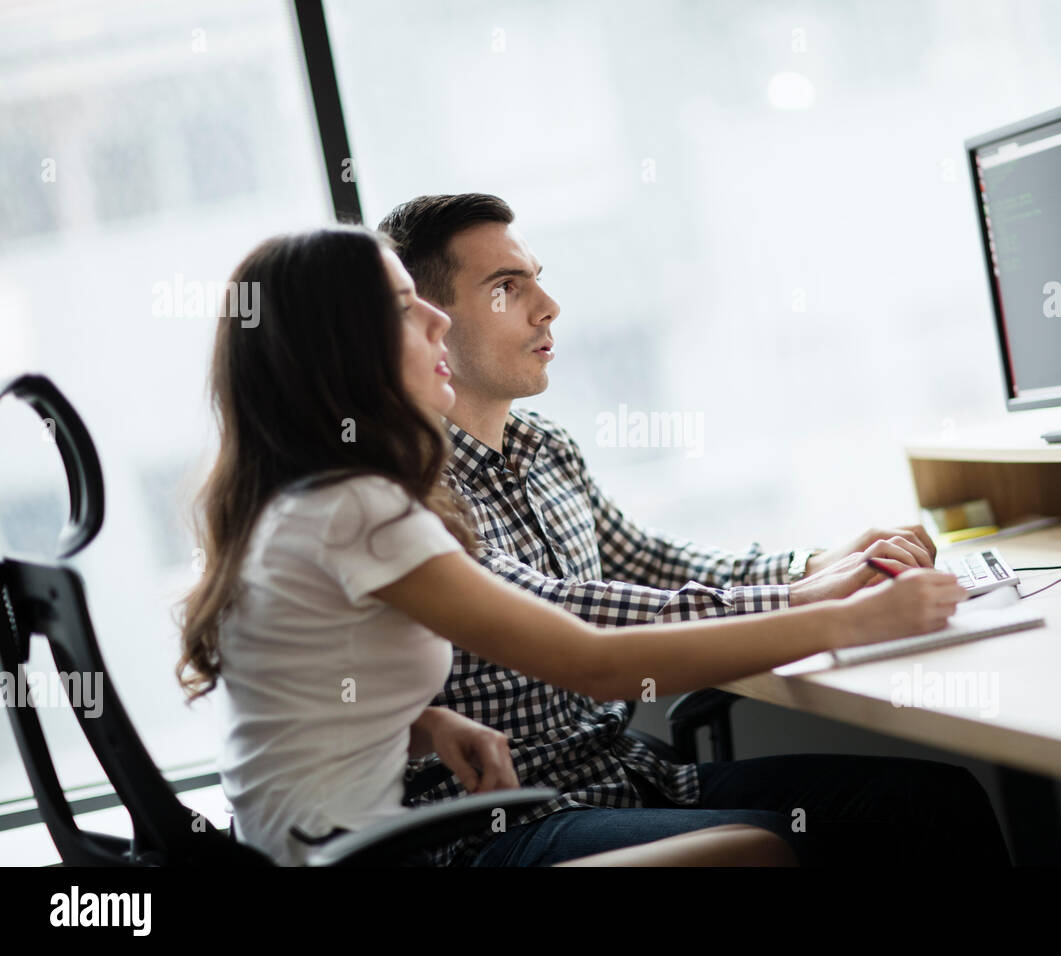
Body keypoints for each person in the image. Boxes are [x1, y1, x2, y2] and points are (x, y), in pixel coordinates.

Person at [176, 224, 967, 867]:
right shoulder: (360, 507)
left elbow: (308, 693)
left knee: (924, 802)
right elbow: (590, 658)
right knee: (753, 853)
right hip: (395, 855)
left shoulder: (306, 499)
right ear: (342, 350)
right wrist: (850, 621)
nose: (436, 323)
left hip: (345, 846)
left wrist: (426, 726)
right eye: (405, 308)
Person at [376, 194, 1013, 868]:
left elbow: (650, 562)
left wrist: (814, 563)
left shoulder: (546, 446)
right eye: (508, 287)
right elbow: (578, 622)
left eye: (538, 276)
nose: (548, 306)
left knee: (928, 800)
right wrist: (820, 602)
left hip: (623, 776)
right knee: (794, 843)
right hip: (506, 823)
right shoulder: (409, 487)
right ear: (433, 320)